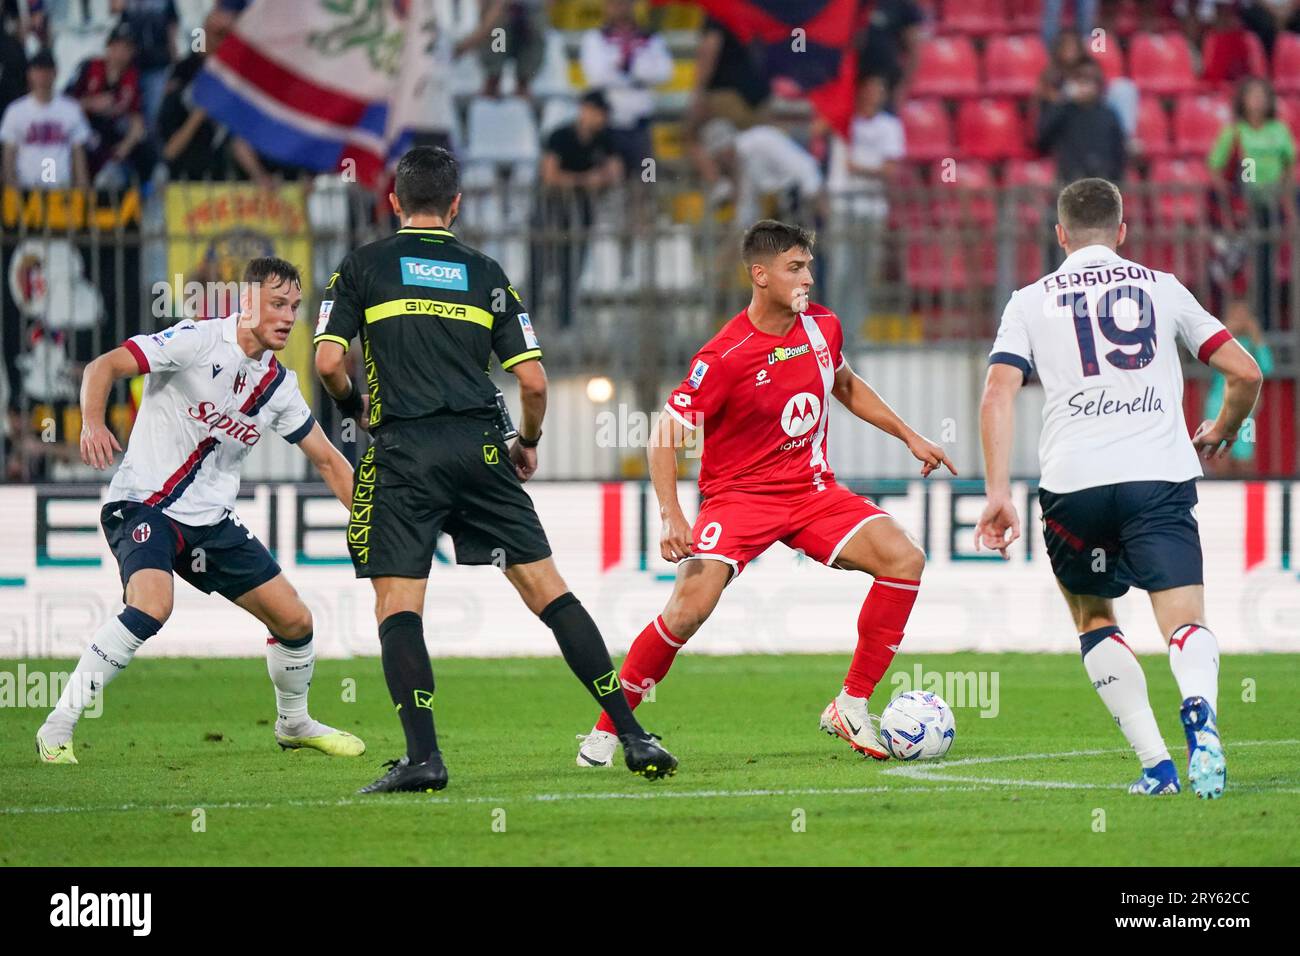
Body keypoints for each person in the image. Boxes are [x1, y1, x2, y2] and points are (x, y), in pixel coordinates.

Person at [313, 146, 676, 793]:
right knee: (549, 592)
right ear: (456, 205)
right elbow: (533, 381)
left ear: (394, 202)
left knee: (399, 605)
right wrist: (527, 441)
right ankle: (632, 733)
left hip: (405, 453)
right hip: (481, 449)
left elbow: (327, 362)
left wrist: (351, 407)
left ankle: (424, 758)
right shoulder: (486, 273)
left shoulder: (363, 266)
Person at [575, 219, 955, 769]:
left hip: (812, 490)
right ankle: (607, 732)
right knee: (687, 610)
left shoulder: (823, 326)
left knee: (904, 559)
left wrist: (909, 435)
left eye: (808, 266)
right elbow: (664, 437)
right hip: (739, 499)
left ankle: (851, 703)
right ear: (760, 275)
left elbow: (846, 384)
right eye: (794, 268)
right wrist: (672, 515)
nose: (807, 278)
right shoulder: (724, 356)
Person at [975, 178, 1262, 799]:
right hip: (1156, 476)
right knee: (1183, 620)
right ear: (1122, 231)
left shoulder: (1028, 301)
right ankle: (1201, 716)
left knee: (1095, 618)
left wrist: (997, 492)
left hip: (1073, 484)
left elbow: (998, 392)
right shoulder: (1162, 287)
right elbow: (1245, 371)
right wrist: (1223, 428)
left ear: (1060, 235)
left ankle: (1157, 769)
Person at [35, 257, 367, 765]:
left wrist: (372, 520)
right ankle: (58, 724)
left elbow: (326, 459)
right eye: (277, 304)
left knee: (296, 621)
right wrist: (93, 423)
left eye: (295, 307)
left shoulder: (278, 386)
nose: (288, 317)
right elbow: (104, 366)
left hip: (210, 524)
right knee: (152, 605)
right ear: (247, 301)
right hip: (143, 504)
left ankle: (294, 723)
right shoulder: (196, 340)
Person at [1208, 77, 1296, 330]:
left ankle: (1266, 325)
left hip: (1271, 206)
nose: (1258, 101)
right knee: (1239, 269)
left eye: (1262, 95)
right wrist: (1231, 201)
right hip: (1243, 210)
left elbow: (1288, 164)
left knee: (1266, 267)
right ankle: (1234, 325)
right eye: (1252, 95)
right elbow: (1216, 168)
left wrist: (1283, 196)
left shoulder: (1279, 130)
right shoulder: (1235, 131)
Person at [826, 71, 904, 349]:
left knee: (864, 273)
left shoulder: (890, 126)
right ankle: (831, 332)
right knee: (840, 270)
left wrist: (858, 168)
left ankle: (855, 334)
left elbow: (890, 169)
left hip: (873, 208)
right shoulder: (844, 121)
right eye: (870, 87)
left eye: (879, 88)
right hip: (842, 205)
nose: (874, 94)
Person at [531, 89, 621, 328]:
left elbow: (615, 172)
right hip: (550, 211)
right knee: (539, 268)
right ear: (585, 110)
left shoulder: (604, 139)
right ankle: (529, 321)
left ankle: (564, 324)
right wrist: (585, 180)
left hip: (581, 213)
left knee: (571, 270)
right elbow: (549, 176)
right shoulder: (560, 136)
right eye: (598, 112)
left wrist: (591, 179)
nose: (602, 119)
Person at [579, 0, 672, 176]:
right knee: (612, 176)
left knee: (648, 175)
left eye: (624, 3)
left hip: (641, 121)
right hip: (609, 123)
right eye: (615, 4)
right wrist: (638, 75)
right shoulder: (595, 38)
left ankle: (647, 192)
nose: (620, 8)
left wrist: (624, 68)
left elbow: (664, 72)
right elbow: (596, 77)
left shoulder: (651, 38)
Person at [65, 22, 151, 188]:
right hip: (86, 129)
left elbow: (137, 117)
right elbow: (64, 104)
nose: (121, 53)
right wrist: (90, 103)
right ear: (108, 47)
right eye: (117, 47)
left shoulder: (133, 76)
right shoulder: (89, 67)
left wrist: (127, 145)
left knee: (145, 149)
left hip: (114, 133)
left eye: (127, 48)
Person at [699, 118, 823, 227]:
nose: (720, 163)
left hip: (805, 197)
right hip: (782, 209)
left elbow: (805, 167)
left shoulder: (761, 140)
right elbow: (748, 208)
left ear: (725, 149)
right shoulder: (739, 165)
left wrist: (815, 200)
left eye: (719, 157)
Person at [0, 48, 90, 190]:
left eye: (47, 71)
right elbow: (8, 156)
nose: (42, 76)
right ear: (30, 74)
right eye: (38, 71)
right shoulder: (15, 111)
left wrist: (82, 188)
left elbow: (78, 155)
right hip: (26, 191)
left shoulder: (71, 109)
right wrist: (11, 188)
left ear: (55, 73)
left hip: (61, 190)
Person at [1202, 299, 1274, 475]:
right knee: (1220, 459)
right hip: (1218, 407)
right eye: (1236, 315)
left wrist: (1257, 337)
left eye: (1243, 315)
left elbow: (1267, 367)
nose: (1240, 320)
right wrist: (1225, 333)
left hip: (1244, 410)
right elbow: (1211, 363)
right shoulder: (1220, 342)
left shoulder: (1251, 344)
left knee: (1244, 460)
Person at [1036, 59, 1126, 184]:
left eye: (1087, 82)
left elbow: (1118, 149)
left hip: (1103, 179)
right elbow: (1043, 138)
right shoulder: (1063, 111)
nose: (1083, 87)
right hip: (1070, 179)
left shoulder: (1108, 114)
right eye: (1079, 81)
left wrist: (1114, 176)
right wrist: (1062, 102)